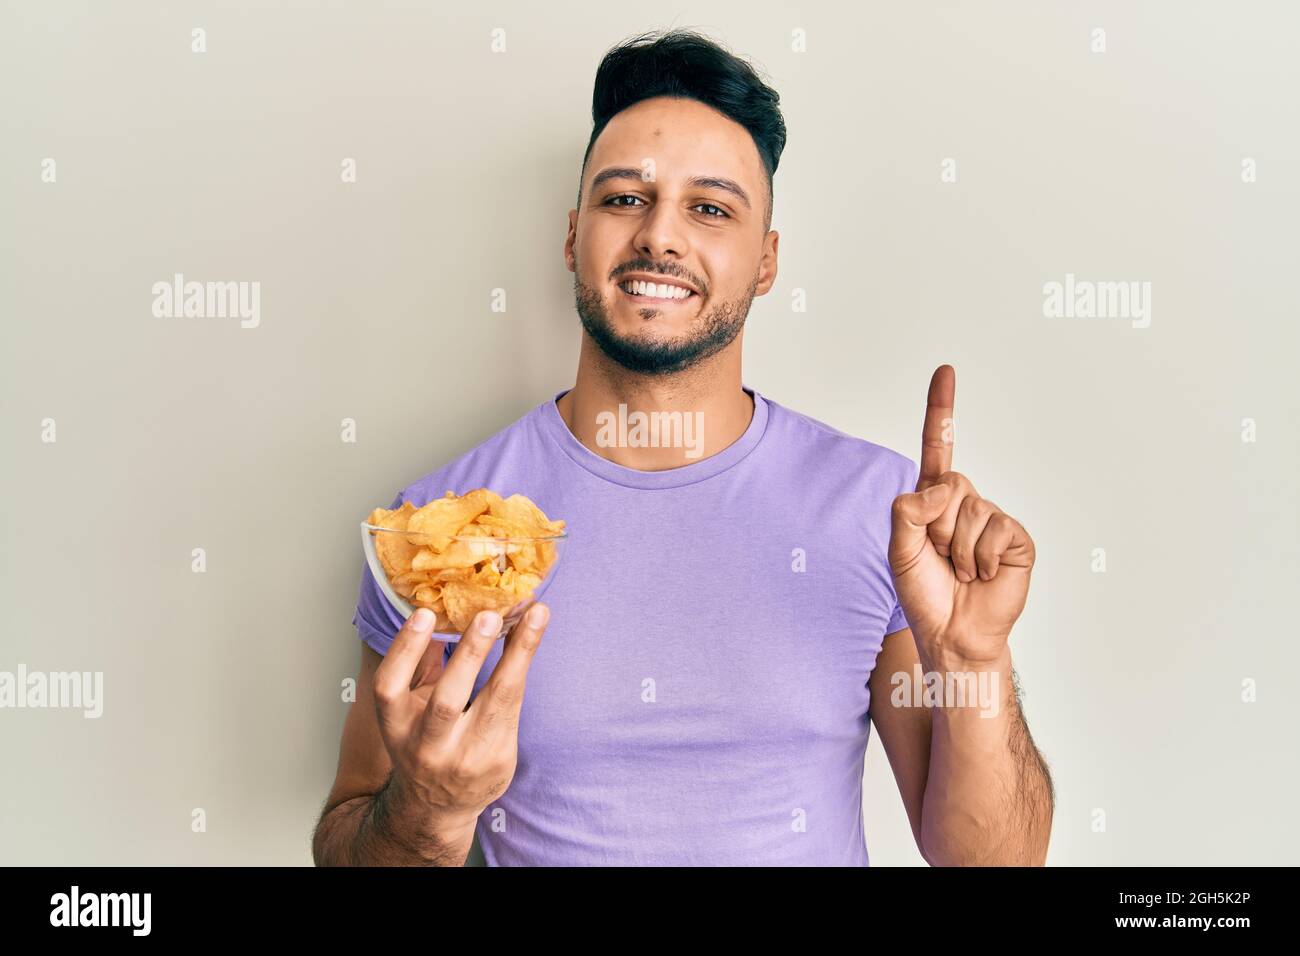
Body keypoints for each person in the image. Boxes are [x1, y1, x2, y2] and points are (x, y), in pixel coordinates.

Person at [312, 29, 1053, 866]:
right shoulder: (437, 532)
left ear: (766, 261)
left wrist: (972, 658)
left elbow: (995, 861)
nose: (660, 237)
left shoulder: (886, 515)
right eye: (624, 198)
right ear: (572, 236)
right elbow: (349, 842)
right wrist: (431, 811)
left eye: (710, 208)